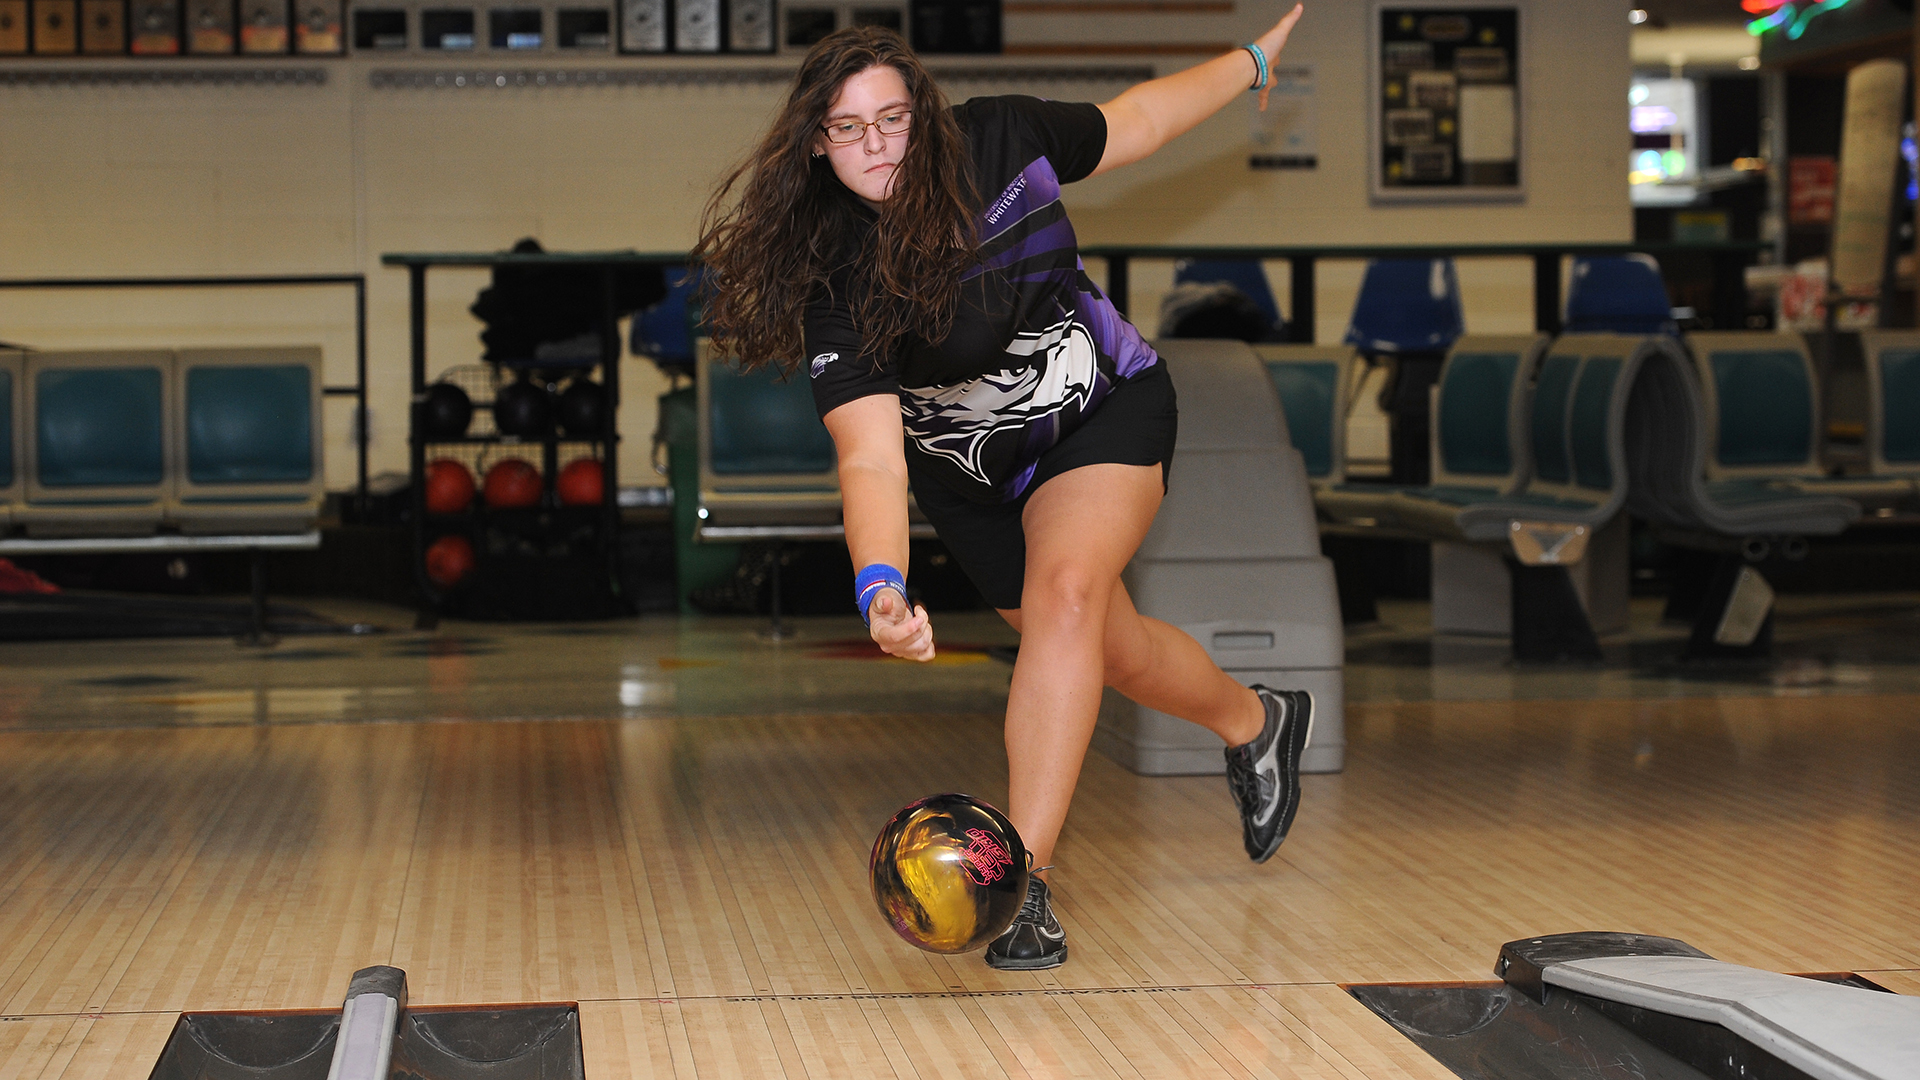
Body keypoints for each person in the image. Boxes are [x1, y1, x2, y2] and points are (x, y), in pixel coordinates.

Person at [694, 7, 1311, 972]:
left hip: (1100, 412)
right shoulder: (835, 281)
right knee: (1112, 648)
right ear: (818, 143)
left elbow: (1137, 121)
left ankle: (1025, 884)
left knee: (1067, 595)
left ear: (924, 112)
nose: (876, 144)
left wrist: (1248, 62)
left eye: (892, 118)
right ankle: (1255, 720)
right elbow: (869, 457)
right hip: (972, 479)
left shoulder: (1000, 139)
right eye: (849, 128)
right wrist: (881, 584)